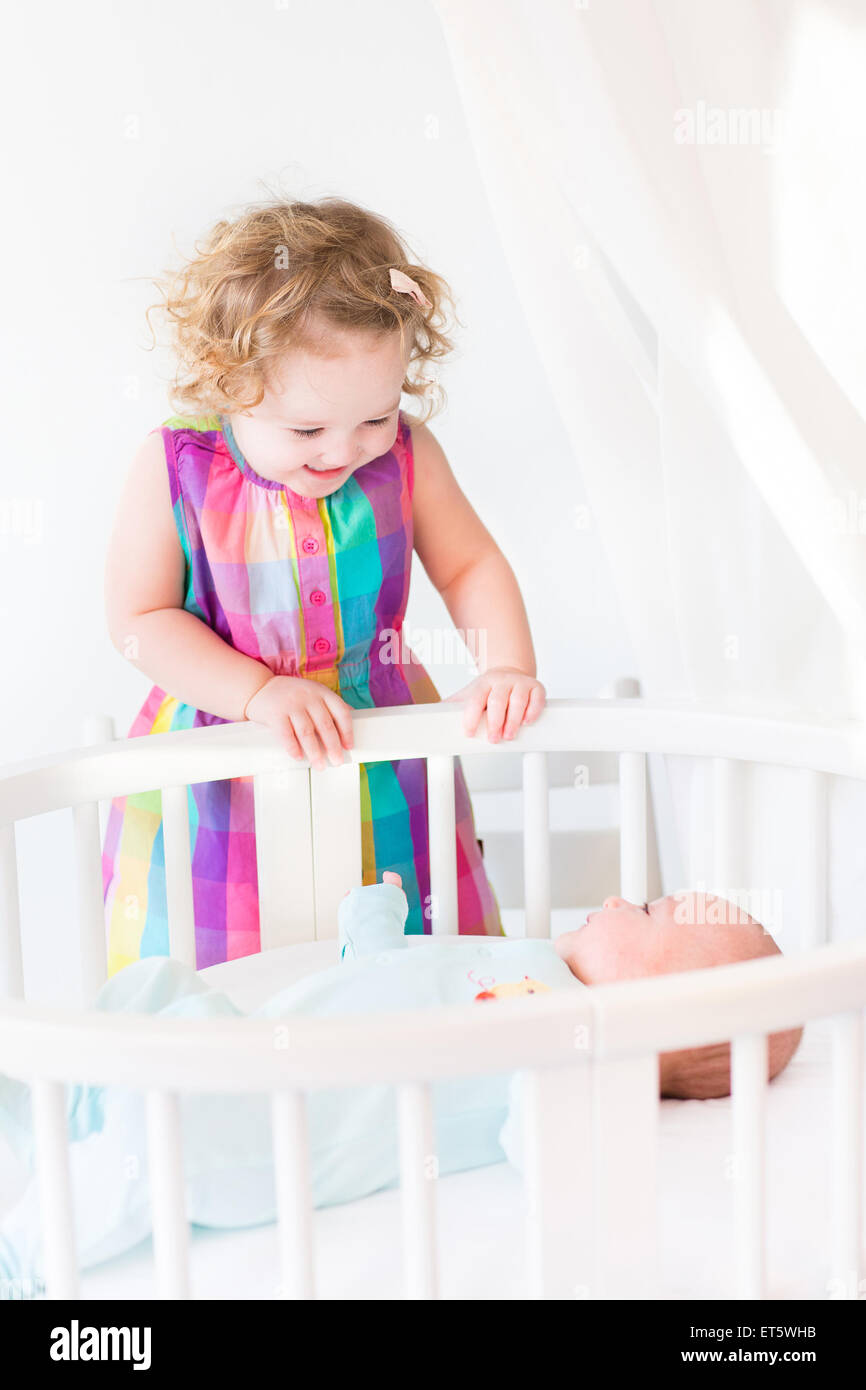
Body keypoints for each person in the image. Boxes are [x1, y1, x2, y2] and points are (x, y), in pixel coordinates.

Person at [102, 197, 545, 973]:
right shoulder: (178, 468)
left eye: (373, 417)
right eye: (306, 430)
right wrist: (255, 692)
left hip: (382, 746)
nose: (344, 449)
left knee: (408, 947)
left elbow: (471, 564)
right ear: (228, 382)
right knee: (231, 966)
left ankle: (419, 1068)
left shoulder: (406, 457)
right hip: (222, 760)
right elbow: (139, 616)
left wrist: (505, 665)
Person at [0, 877, 802, 1289]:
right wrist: (377, 922)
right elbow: (399, 977)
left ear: (660, 1006)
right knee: (153, 987)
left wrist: (608, 1075)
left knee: (160, 1144)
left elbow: (542, 1140)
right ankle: (49, 1113)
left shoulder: (575, 1045)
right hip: (239, 1036)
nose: (621, 897)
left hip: (278, 1123)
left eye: (653, 912)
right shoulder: (527, 962)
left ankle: (29, 1250)